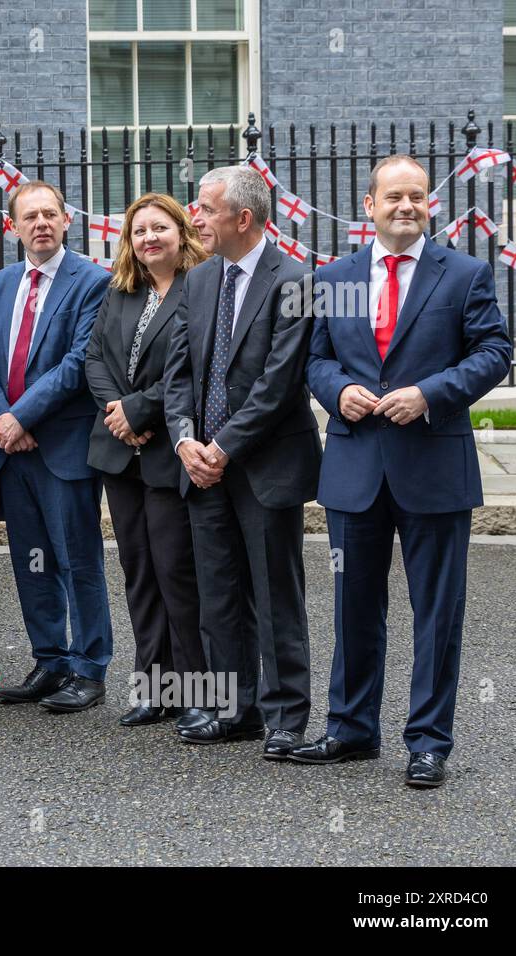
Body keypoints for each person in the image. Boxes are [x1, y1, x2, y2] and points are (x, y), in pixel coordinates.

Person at [293, 155, 512, 788]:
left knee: (436, 612)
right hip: (356, 467)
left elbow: (494, 352)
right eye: (394, 196)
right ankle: (352, 729)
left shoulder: (465, 274)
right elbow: (316, 359)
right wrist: (339, 393)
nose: (406, 206)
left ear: (430, 207)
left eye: (417, 196)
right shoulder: (333, 276)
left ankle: (428, 741)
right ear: (369, 205)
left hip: (433, 467)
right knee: (353, 606)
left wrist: (431, 393)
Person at [163, 166, 321, 756]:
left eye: (204, 208)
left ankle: (284, 718)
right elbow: (177, 374)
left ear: (243, 218)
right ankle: (234, 710)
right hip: (201, 466)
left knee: (276, 593)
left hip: (264, 464)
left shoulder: (297, 280)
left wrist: (222, 448)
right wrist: (185, 442)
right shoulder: (198, 281)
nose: (194, 216)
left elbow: (279, 386)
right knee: (218, 592)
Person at [0, 181, 113, 713]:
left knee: (78, 558)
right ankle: (49, 659)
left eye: (50, 214)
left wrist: (21, 416)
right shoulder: (3, 282)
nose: (41, 224)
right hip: (12, 447)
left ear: (66, 220)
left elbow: (78, 362)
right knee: (32, 560)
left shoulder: (91, 281)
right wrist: (3, 419)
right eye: (29, 216)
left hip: (62, 443)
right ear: (12, 227)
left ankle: (89, 667)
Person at [84, 193, 209, 726]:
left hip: (167, 448)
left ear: (181, 233)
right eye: (139, 232)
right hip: (120, 452)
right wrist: (118, 413)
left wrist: (138, 411)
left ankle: (196, 691)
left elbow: (194, 368)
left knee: (176, 572)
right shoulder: (121, 292)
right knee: (138, 572)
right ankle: (152, 688)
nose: (149, 238)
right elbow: (95, 358)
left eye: (159, 228)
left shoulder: (199, 290)